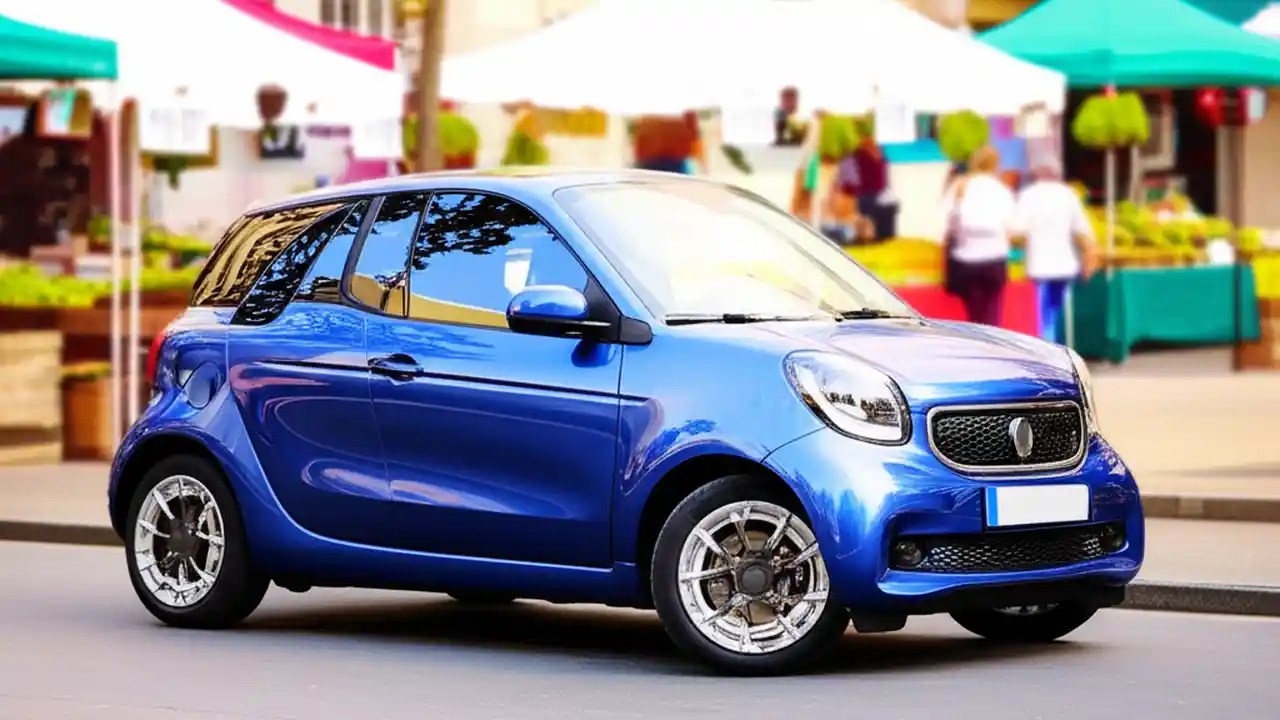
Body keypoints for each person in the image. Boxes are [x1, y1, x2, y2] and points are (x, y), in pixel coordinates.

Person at [1013, 158, 1099, 344]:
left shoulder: (1028, 195)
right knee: (1060, 311)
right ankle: (1063, 349)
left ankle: (1048, 349)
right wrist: (1089, 258)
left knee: (1042, 314)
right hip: (1064, 264)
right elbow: (1083, 231)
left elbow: (1017, 231)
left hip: (1039, 265)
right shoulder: (1068, 195)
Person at [941, 145, 1016, 326]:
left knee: (974, 311)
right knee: (992, 309)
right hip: (994, 258)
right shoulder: (1002, 190)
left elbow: (943, 223)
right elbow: (1012, 226)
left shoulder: (960, 187)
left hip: (966, 258)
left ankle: (979, 343)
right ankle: (990, 346)